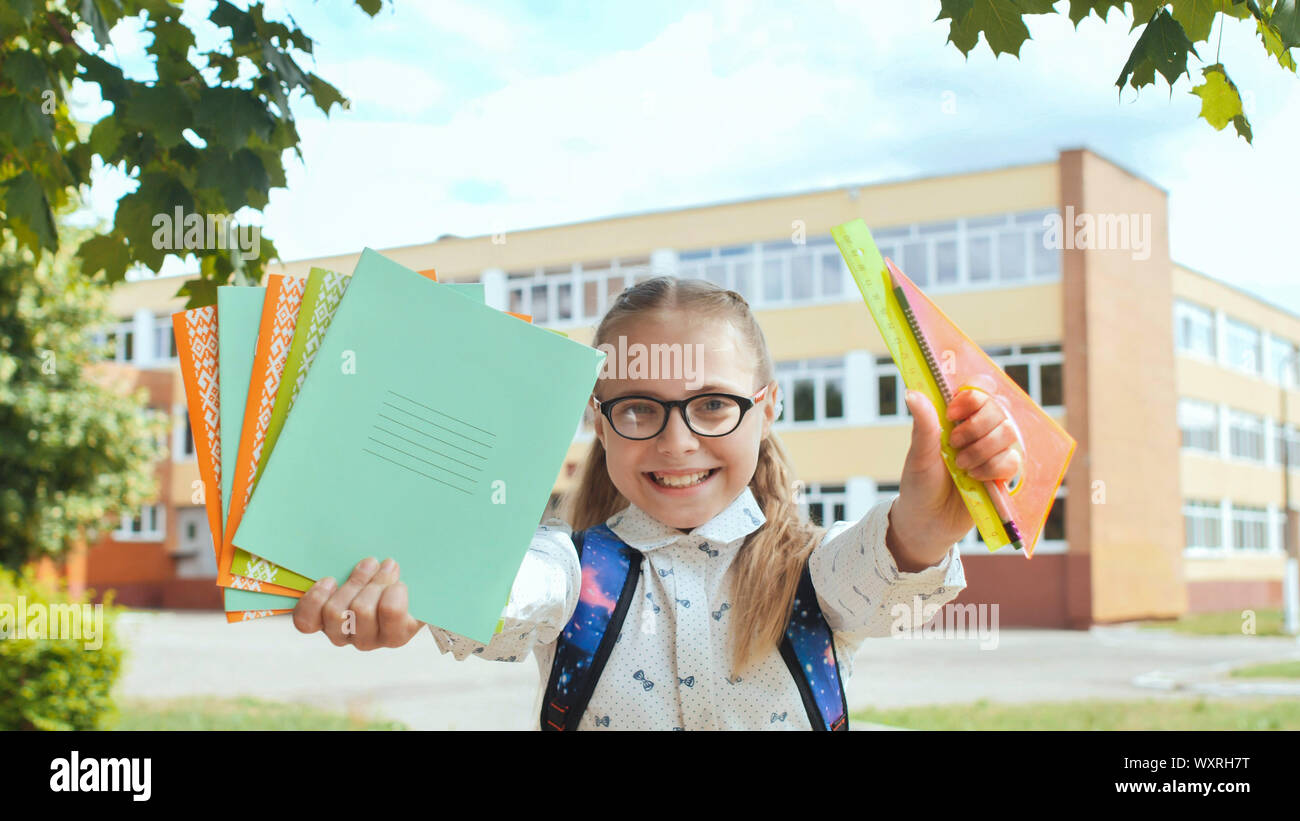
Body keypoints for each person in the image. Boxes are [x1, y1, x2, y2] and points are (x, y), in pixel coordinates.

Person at [291, 276, 1023, 730]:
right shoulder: (572, 567)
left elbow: (884, 577)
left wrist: (927, 522)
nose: (677, 442)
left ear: (766, 408)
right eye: (640, 408)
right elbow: (515, 587)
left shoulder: (813, 570)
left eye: (712, 405)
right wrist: (429, 588)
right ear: (598, 417)